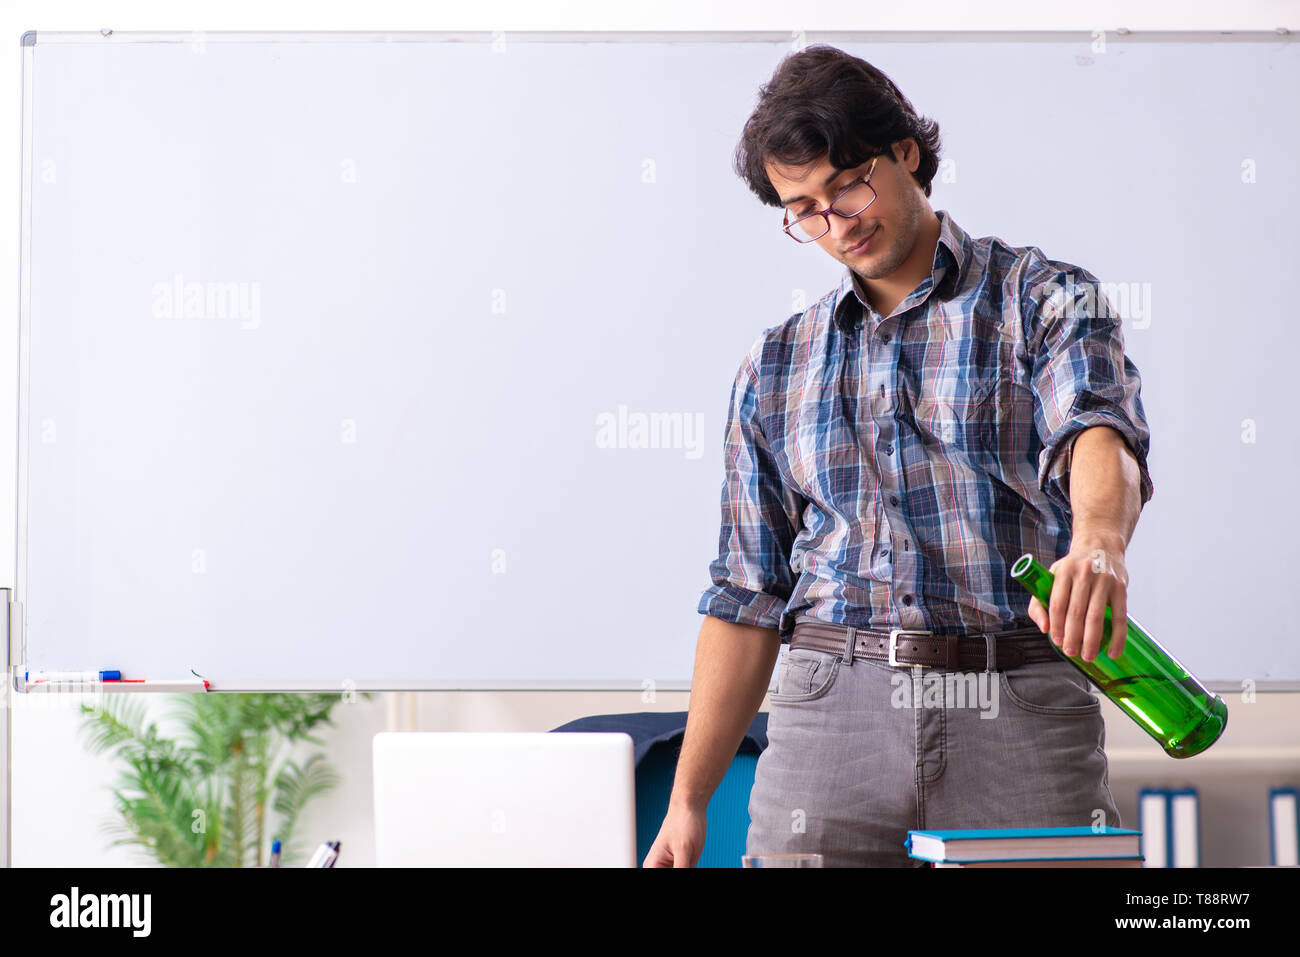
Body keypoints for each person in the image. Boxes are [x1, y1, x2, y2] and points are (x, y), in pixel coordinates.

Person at [644, 44, 1154, 868]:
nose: (835, 222)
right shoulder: (776, 364)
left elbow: (1097, 427)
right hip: (830, 709)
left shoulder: (1045, 298)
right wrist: (688, 800)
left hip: (1016, 700)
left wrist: (1099, 536)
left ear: (906, 153)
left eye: (847, 184)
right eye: (803, 208)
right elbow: (746, 590)